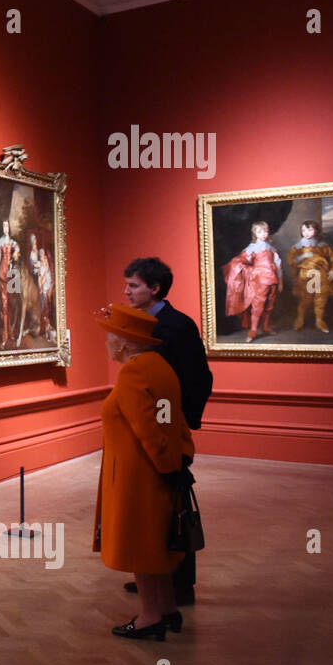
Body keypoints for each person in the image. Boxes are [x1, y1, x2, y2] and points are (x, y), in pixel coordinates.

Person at [93, 304, 194, 640]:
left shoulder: (133, 372)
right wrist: (176, 462)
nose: (106, 342)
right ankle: (167, 609)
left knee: (140, 544)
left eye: (110, 337)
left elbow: (147, 429)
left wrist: (165, 466)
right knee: (155, 544)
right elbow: (169, 420)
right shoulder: (159, 366)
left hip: (140, 476)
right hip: (159, 471)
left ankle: (150, 616)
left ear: (124, 343)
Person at [122, 257, 212, 605]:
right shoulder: (141, 323)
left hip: (167, 428)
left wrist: (182, 421)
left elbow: (198, 377)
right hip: (149, 427)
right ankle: (155, 578)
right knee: (152, 508)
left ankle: (180, 585)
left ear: (154, 288)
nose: (126, 291)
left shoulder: (177, 325)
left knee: (175, 507)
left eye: (133, 285)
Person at [222, 220, 283, 341]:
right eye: (259, 231)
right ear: (255, 234)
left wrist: (281, 281)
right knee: (258, 305)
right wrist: (252, 271)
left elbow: (279, 265)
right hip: (261, 281)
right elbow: (241, 261)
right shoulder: (252, 248)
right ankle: (254, 329)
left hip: (273, 280)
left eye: (265, 231)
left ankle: (265, 326)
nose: (263, 234)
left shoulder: (272, 249)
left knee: (270, 304)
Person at [288, 220, 333, 333]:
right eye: (303, 230)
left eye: (310, 229)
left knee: (321, 298)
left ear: (316, 231)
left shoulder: (322, 246)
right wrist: (303, 257)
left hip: (321, 277)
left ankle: (319, 321)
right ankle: (300, 319)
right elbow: (291, 260)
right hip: (306, 276)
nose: (306, 232)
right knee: (305, 299)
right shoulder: (298, 247)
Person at [0, 219, 21, 341]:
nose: (6, 228)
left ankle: (11, 330)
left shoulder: (13, 242)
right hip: (2, 273)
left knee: (12, 303)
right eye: (4, 226)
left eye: (7, 226)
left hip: (12, 274)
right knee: (4, 304)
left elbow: (17, 251)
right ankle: (5, 332)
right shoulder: (0, 241)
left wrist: (16, 253)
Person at [30, 233, 53, 339]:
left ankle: (47, 328)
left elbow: (46, 276)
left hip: (47, 288)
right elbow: (39, 277)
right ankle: (44, 328)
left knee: (46, 309)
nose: (42, 257)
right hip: (42, 290)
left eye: (43, 256)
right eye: (41, 256)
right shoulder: (40, 265)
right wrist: (40, 285)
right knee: (43, 308)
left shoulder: (46, 265)